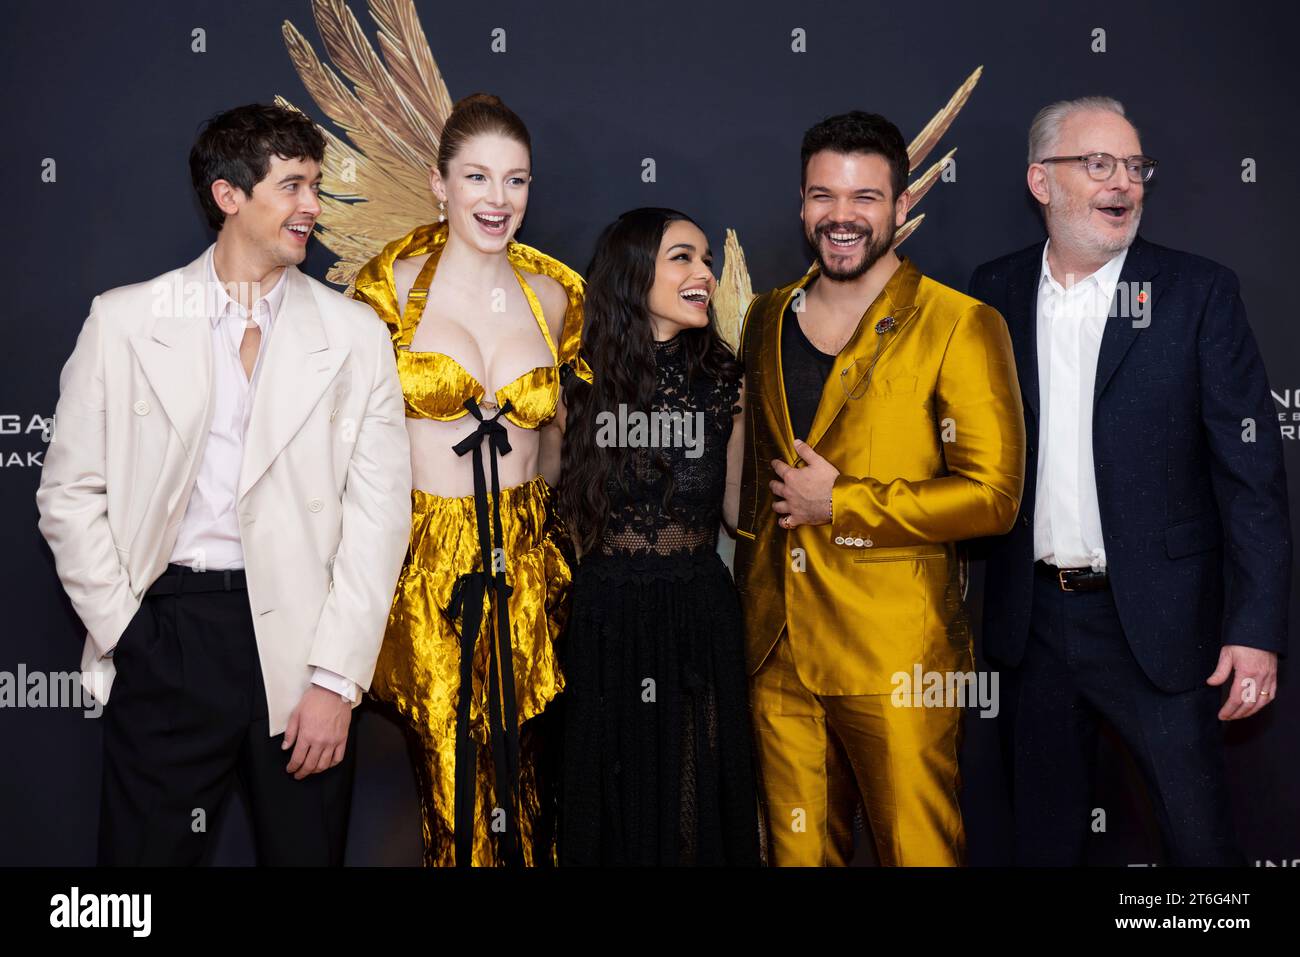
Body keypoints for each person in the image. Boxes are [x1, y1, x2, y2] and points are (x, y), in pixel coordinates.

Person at [35, 103, 412, 865]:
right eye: (293, 185)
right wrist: (129, 634)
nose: (313, 206)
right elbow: (68, 494)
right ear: (228, 195)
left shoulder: (356, 335)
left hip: (303, 646)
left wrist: (336, 681)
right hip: (169, 632)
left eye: (316, 186)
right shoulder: (124, 322)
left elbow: (378, 519)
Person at [970, 96, 1291, 865]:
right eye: (1099, 164)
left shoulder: (1197, 293)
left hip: (1161, 623)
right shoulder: (993, 293)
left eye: (1135, 166)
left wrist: (1253, 629)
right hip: (1032, 625)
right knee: (1041, 844)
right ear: (1041, 182)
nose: (1124, 184)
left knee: (1198, 848)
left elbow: (1251, 477)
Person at [733, 111, 1025, 866]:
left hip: (899, 662)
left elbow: (993, 496)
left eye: (866, 197)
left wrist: (843, 503)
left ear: (900, 207)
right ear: (801, 205)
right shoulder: (764, 315)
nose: (842, 216)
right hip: (778, 655)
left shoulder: (962, 324)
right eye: (823, 195)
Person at [351, 93, 590, 867]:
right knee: (453, 790)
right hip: (430, 562)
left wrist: (551, 542)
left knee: (525, 784)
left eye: (516, 181)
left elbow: (554, 443)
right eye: (478, 177)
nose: (498, 199)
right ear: (438, 183)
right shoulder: (388, 290)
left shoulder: (555, 294)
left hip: (523, 556)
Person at [556, 208, 760, 865]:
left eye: (706, 258)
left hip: (697, 620)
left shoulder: (727, 384)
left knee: (691, 805)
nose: (704, 272)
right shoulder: (575, 384)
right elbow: (544, 504)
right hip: (604, 620)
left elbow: (737, 513)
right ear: (633, 272)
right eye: (683, 258)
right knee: (606, 801)